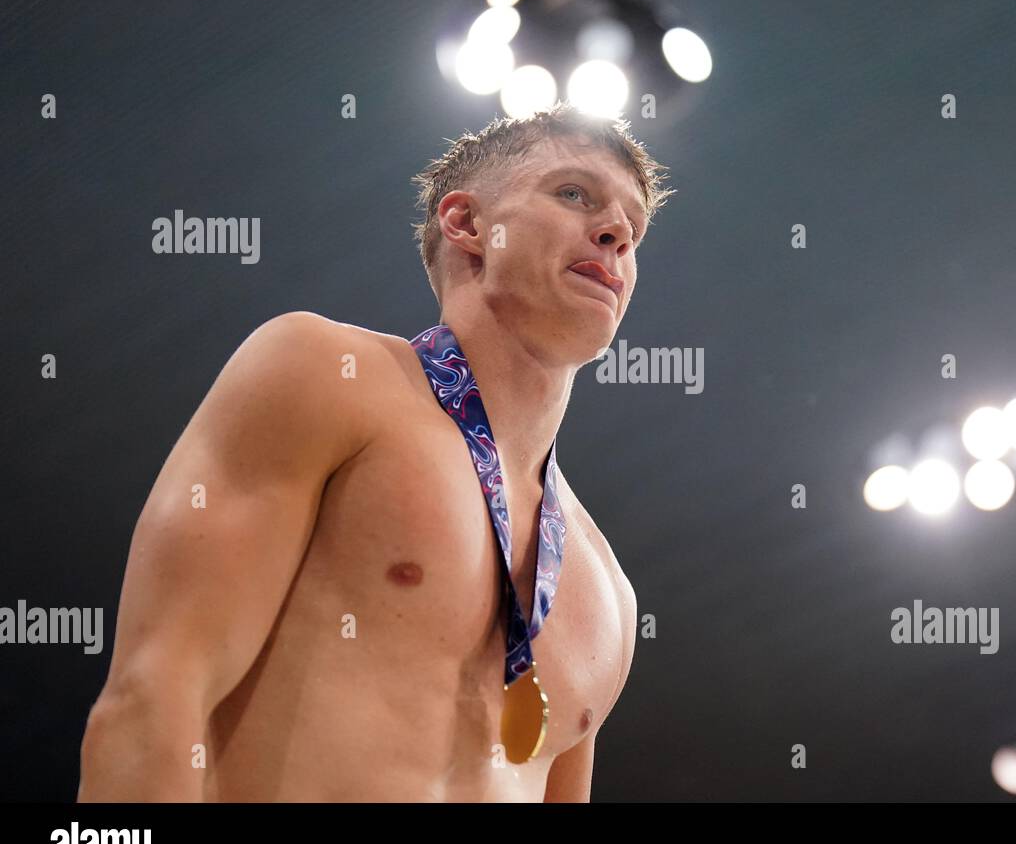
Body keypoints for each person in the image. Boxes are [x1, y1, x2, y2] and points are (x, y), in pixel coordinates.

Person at [77, 102, 674, 801]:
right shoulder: (323, 371)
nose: (614, 235)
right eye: (574, 194)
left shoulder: (607, 591)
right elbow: (153, 697)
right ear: (468, 225)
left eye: (631, 231)